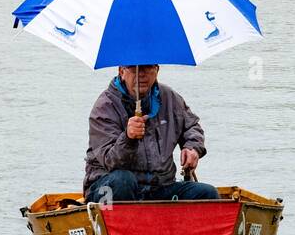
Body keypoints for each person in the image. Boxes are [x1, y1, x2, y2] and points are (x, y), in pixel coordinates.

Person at [84, 63, 219, 203]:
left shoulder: (169, 97)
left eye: (148, 67)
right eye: (133, 68)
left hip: (160, 187)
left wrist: (192, 148)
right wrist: (128, 138)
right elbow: (110, 162)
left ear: (157, 71)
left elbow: (192, 126)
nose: (141, 74)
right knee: (123, 180)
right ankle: (123, 223)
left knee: (208, 193)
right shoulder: (105, 107)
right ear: (121, 72)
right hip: (107, 188)